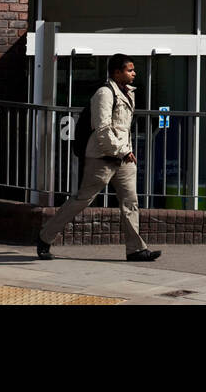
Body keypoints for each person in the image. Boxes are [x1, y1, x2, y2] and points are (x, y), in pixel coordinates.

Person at [36, 53, 161, 262]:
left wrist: (126, 150)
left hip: (123, 158)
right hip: (102, 157)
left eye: (133, 69)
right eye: (129, 70)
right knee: (82, 200)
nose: (134, 73)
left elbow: (123, 128)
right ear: (116, 72)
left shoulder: (128, 92)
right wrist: (123, 150)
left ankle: (136, 249)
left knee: (130, 202)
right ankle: (45, 237)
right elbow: (102, 130)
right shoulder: (104, 93)